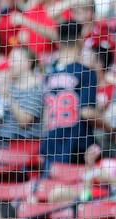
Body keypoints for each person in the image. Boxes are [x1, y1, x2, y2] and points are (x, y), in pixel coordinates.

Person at [42, 20, 99, 170]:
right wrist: (112, 128)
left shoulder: (49, 74)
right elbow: (87, 112)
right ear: (81, 39)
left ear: (59, 41)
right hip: (76, 146)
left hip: (51, 144)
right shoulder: (86, 72)